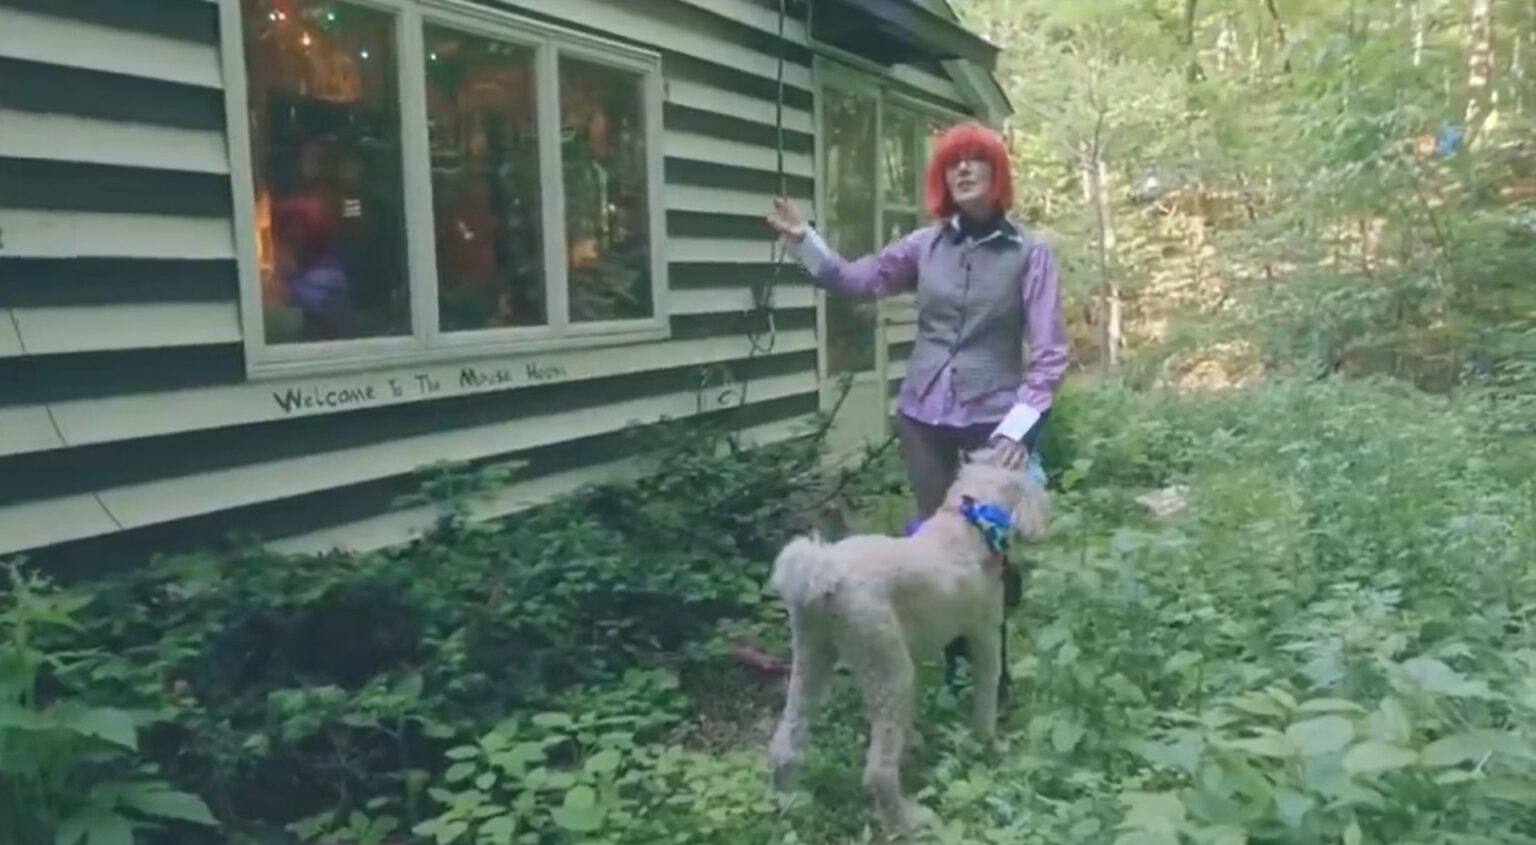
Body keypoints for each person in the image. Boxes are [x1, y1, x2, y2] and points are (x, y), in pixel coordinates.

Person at [766, 119, 1068, 700]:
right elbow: (856, 281)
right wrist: (805, 239)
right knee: (938, 548)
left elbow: (1051, 355)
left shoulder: (1031, 253)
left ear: (996, 172)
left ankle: (992, 677)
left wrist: (1020, 428)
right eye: (952, 162)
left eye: (975, 160)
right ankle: (955, 663)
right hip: (924, 416)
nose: (962, 170)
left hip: (996, 425)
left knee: (988, 553)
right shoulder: (923, 247)